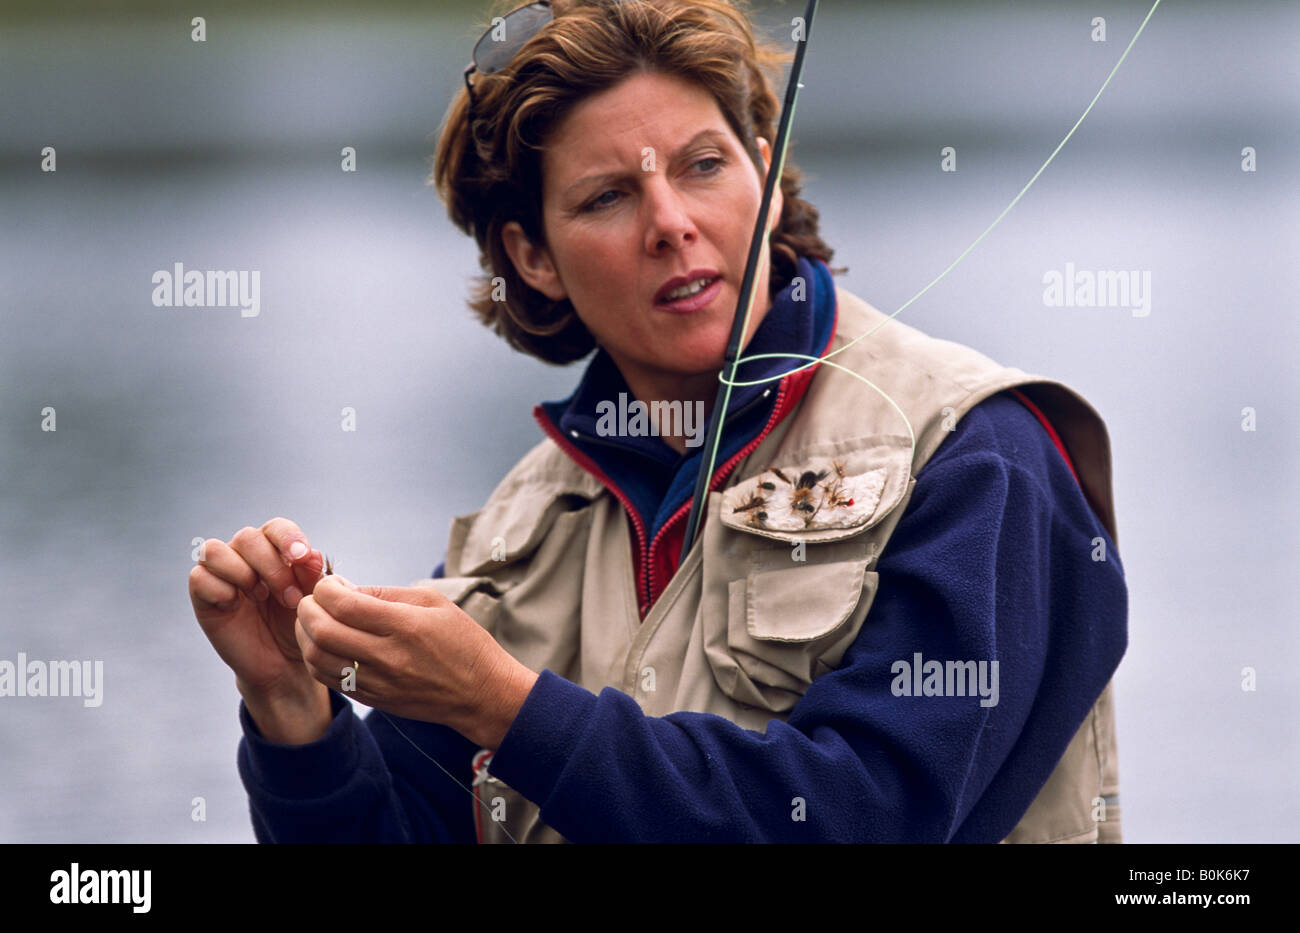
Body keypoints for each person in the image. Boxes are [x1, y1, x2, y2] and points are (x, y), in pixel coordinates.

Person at [188, 0, 1127, 844]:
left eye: (703, 166)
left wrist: (511, 711)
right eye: (608, 196)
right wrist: (292, 714)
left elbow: (866, 814)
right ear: (535, 257)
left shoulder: (976, 453)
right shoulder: (520, 532)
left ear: (762, 175)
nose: (671, 221)